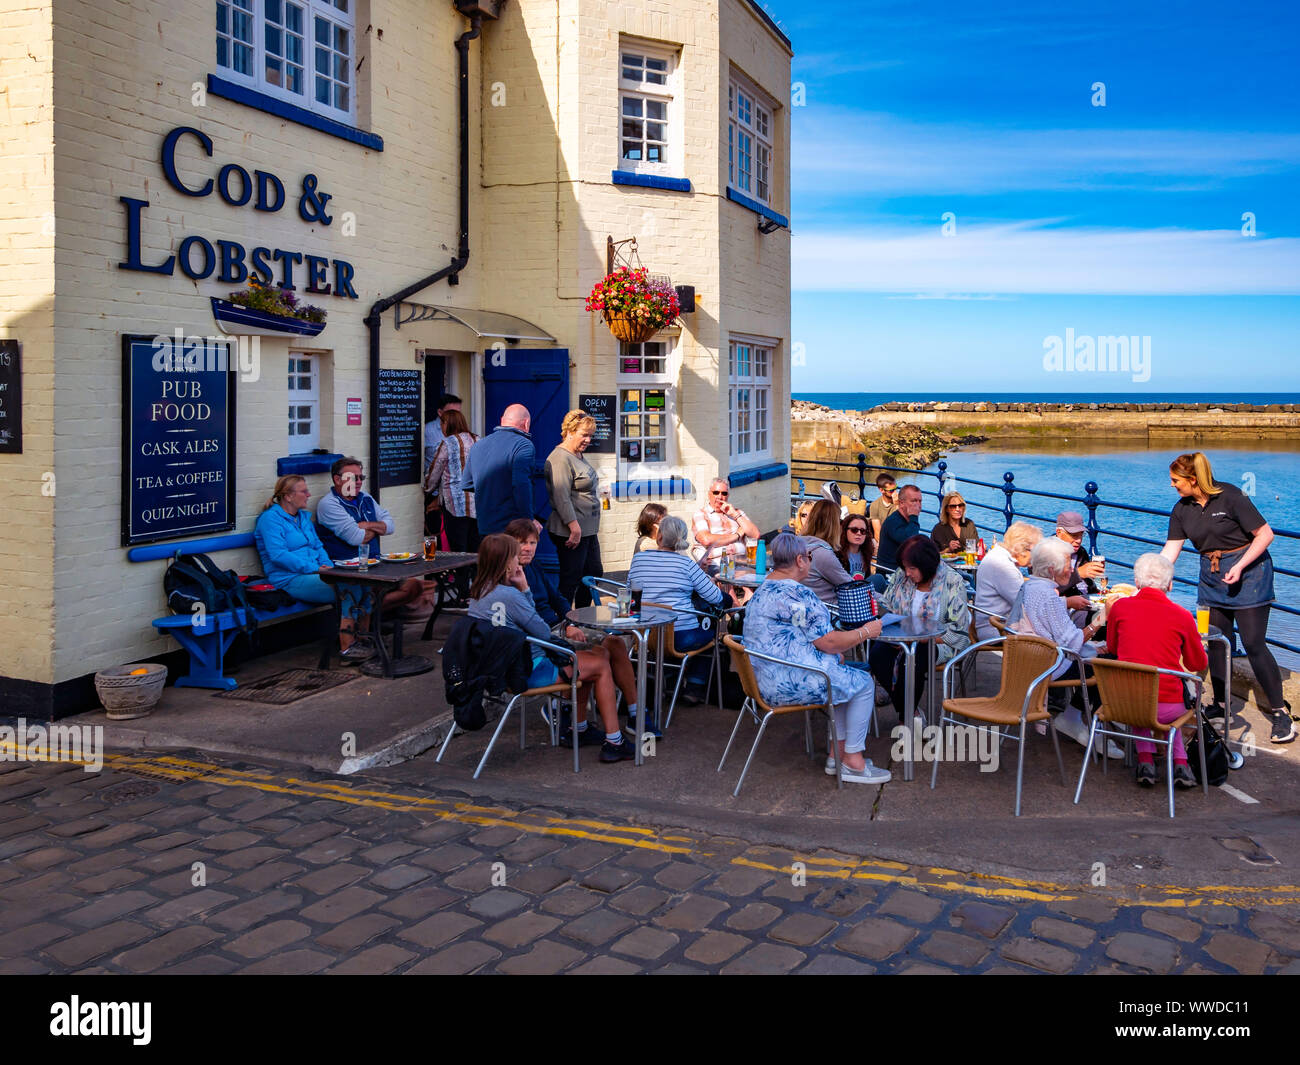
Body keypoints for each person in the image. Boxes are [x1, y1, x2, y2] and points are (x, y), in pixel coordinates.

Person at [467, 534, 636, 763]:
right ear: (507, 563)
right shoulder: (510, 595)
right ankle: (614, 741)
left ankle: (580, 727)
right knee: (600, 663)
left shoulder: (479, 593)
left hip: (498, 671)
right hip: (529, 671)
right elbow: (542, 632)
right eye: (515, 556)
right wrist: (525, 589)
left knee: (595, 655)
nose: (519, 560)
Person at [1160, 451, 1293, 743]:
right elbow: (1171, 548)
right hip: (1212, 576)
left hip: (1250, 573)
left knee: (1254, 643)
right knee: (1217, 644)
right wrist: (1156, 577)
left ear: (1193, 480)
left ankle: (1280, 712)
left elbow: (1265, 534)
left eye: (1175, 480)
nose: (1172, 485)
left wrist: (1241, 565)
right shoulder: (1182, 508)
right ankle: (1221, 706)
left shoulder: (1231, 495)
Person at [742, 534, 891, 784]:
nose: (810, 562)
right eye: (809, 558)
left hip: (765, 677)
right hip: (789, 681)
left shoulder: (763, 589)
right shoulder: (800, 595)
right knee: (863, 683)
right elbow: (829, 641)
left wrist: (831, 654)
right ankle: (853, 759)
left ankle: (837, 755)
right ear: (800, 560)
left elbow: (801, 634)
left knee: (845, 680)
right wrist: (867, 631)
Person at [503, 518, 642, 729]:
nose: (528, 548)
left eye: (532, 543)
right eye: (522, 542)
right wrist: (567, 627)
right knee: (599, 655)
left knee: (615, 642)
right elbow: (529, 619)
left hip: (557, 626)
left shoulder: (535, 566)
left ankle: (635, 714)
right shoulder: (510, 576)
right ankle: (564, 711)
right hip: (542, 637)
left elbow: (557, 598)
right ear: (510, 544)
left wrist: (571, 619)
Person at [1107, 553, 1209, 788]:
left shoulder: (1120, 608)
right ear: (1170, 585)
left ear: (1136, 582)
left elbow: (1112, 647)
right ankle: (1180, 763)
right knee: (1166, 702)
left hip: (1126, 703)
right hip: (1168, 707)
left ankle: (1145, 760)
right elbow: (1197, 664)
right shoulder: (1182, 616)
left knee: (1141, 697)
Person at [1006, 537, 1116, 753]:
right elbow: (1072, 643)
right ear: (1051, 569)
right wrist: (1102, 619)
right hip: (1045, 667)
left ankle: (1075, 717)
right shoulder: (1047, 596)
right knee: (1109, 664)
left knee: (1096, 653)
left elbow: (1060, 634)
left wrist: (1092, 647)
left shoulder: (1029, 587)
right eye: (1067, 564)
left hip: (1025, 662)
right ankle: (1087, 723)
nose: (1071, 569)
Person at [254, 475, 372, 661]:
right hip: (289, 578)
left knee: (364, 584)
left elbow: (318, 546)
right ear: (288, 496)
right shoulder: (270, 520)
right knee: (349, 587)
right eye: (303, 491)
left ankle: (363, 639)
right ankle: (347, 648)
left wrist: (331, 569)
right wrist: (315, 569)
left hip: (316, 573)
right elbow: (278, 556)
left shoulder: (303, 518)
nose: (309, 494)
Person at [627, 516, 732, 709]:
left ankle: (669, 677)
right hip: (679, 637)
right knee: (713, 636)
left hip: (643, 635)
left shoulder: (639, 559)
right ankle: (694, 686)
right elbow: (716, 598)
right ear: (682, 539)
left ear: (659, 537)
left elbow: (629, 592)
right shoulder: (686, 564)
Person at [868, 536, 971, 721]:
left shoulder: (952, 582)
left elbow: (958, 629)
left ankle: (906, 715)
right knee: (876, 654)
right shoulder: (902, 576)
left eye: (912, 568)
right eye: (905, 567)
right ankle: (910, 712)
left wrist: (919, 638)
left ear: (926, 565)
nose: (907, 573)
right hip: (901, 638)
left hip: (937, 642)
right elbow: (890, 607)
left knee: (915, 655)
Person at [315, 457, 427, 613]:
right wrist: (376, 528)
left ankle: (368, 609)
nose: (359, 481)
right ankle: (365, 612)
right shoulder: (329, 504)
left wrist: (366, 525)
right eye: (354, 478)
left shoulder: (365, 498)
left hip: (375, 565)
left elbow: (391, 526)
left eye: (361, 477)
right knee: (364, 592)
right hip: (349, 571)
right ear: (337, 479)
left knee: (414, 586)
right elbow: (356, 538)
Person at [545, 410, 603, 607]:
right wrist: (574, 527)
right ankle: (563, 621)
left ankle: (583, 616)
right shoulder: (560, 458)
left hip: (588, 529)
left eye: (590, 435)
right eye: (584, 434)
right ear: (569, 432)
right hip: (572, 530)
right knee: (571, 578)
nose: (588, 439)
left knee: (593, 573)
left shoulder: (577, 454)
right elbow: (561, 496)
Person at [462, 403, 538, 536]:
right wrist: (529, 520)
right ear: (526, 424)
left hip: (485, 524)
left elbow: (467, 483)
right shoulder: (523, 445)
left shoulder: (478, 445)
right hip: (513, 526)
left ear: (502, 420)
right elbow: (521, 485)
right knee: (514, 557)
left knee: (492, 557)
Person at [973, 522, 1041, 641]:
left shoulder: (998, 556)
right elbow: (1026, 604)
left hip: (993, 623)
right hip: (996, 629)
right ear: (1022, 548)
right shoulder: (1003, 566)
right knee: (1052, 634)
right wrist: (1066, 602)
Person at [424, 409, 479, 554]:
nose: (441, 427)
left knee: (458, 550)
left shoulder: (447, 443)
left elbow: (435, 471)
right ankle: (474, 577)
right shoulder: (478, 440)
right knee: (475, 550)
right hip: (478, 504)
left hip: (455, 505)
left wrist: (427, 489)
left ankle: (461, 576)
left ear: (447, 424)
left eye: (442, 423)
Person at [693, 477, 760, 567]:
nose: (720, 497)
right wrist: (737, 535)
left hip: (742, 562)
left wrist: (735, 515)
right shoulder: (701, 514)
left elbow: (755, 535)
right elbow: (707, 540)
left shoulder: (737, 513)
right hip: (716, 564)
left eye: (724, 493)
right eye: (716, 493)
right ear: (709, 494)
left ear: (728, 495)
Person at [801, 499, 854, 605]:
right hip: (830, 611)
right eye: (840, 521)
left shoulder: (797, 545)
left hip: (803, 606)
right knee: (877, 581)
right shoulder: (822, 554)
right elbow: (852, 586)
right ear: (834, 525)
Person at [1053, 511, 1104, 618]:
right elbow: (1047, 591)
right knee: (1102, 620)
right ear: (1059, 532)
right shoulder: (1045, 553)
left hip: (1084, 602)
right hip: (1063, 608)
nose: (1079, 541)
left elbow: (1088, 584)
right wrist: (1078, 574)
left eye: (1081, 535)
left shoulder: (1081, 552)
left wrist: (1101, 589)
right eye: (1074, 536)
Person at [424, 393, 462, 537]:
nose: (455, 418)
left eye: (458, 413)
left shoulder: (465, 434)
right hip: (434, 492)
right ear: (440, 413)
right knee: (436, 536)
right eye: (451, 413)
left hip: (455, 496)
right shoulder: (427, 431)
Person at [874, 483, 923, 587]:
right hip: (890, 574)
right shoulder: (893, 521)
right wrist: (914, 517)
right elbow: (910, 539)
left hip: (904, 571)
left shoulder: (908, 522)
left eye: (920, 501)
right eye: (914, 501)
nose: (918, 505)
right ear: (901, 503)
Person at [836, 512, 874, 579]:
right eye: (854, 530)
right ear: (845, 531)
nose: (859, 533)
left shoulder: (866, 553)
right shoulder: (837, 554)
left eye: (863, 531)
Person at [868, 473, 897, 547]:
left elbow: (902, 527)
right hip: (884, 541)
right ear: (881, 490)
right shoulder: (875, 505)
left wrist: (898, 505)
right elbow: (877, 534)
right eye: (891, 490)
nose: (895, 492)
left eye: (895, 488)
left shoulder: (901, 503)